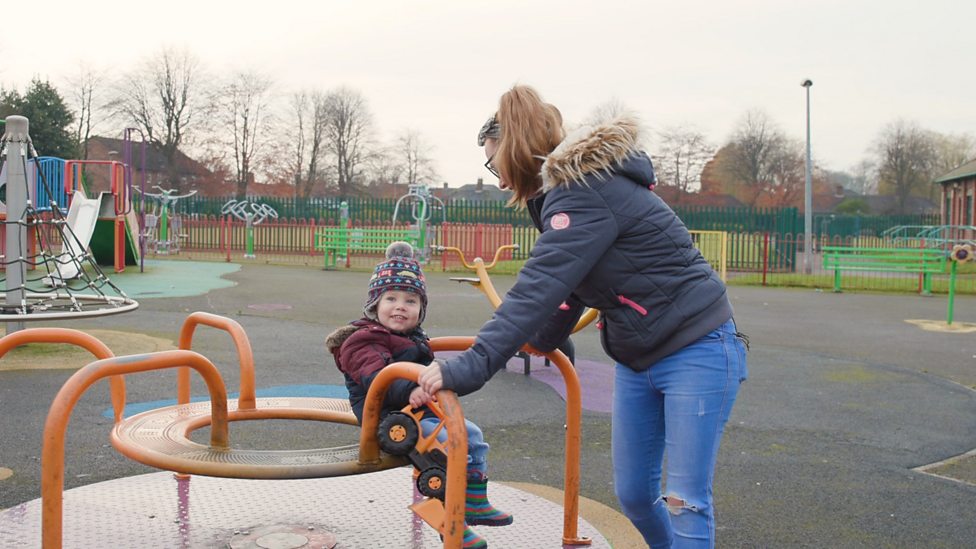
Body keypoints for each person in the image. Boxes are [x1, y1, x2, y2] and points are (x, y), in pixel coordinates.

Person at [420, 86, 748, 548]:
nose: (497, 180)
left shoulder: (585, 191)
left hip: (698, 347)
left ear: (516, 150)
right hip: (638, 355)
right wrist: (546, 338)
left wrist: (470, 366)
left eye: (495, 164)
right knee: (635, 495)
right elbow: (569, 286)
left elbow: (539, 285)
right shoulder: (563, 196)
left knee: (685, 500)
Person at [326, 242, 512, 549]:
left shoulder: (411, 338)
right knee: (443, 455)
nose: (401, 306)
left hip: (416, 411)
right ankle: (452, 525)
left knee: (472, 435)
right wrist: (411, 388)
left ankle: (476, 501)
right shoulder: (362, 341)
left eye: (411, 301)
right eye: (391, 299)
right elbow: (378, 377)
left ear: (420, 310)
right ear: (374, 305)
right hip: (389, 418)